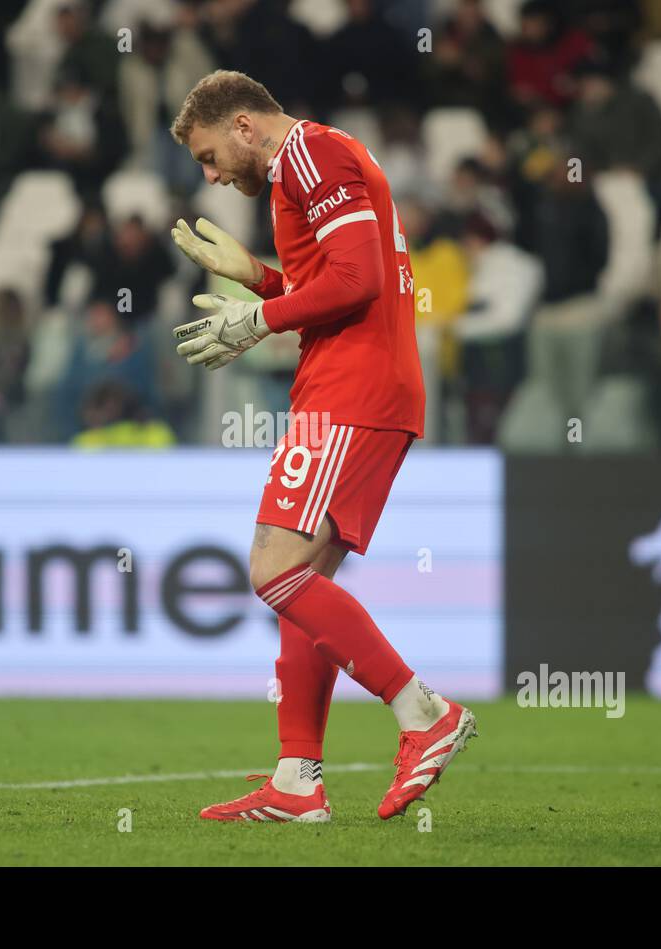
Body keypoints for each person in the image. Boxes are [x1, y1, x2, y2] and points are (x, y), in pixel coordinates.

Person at [168, 70, 478, 823]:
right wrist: (260, 281)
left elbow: (359, 281)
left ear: (245, 125)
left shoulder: (309, 153)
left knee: (273, 569)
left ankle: (422, 710)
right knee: (301, 589)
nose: (210, 175)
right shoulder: (301, 173)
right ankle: (297, 780)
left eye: (210, 156)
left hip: (353, 392)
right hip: (350, 387)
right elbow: (330, 286)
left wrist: (257, 322)